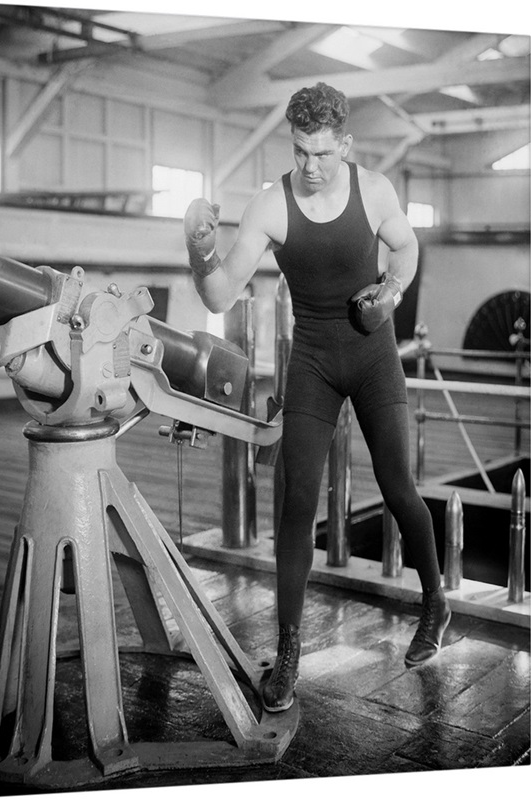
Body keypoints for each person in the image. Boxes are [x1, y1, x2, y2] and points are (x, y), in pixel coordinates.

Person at [183, 82, 451, 713]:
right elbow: (220, 295)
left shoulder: (376, 189)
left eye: (323, 154)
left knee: (398, 488)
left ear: (346, 146)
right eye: (300, 151)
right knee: (296, 500)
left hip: (373, 353)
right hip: (312, 361)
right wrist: (199, 251)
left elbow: (408, 246)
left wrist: (392, 287)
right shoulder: (271, 205)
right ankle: (290, 649)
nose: (309, 166)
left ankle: (434, 602)